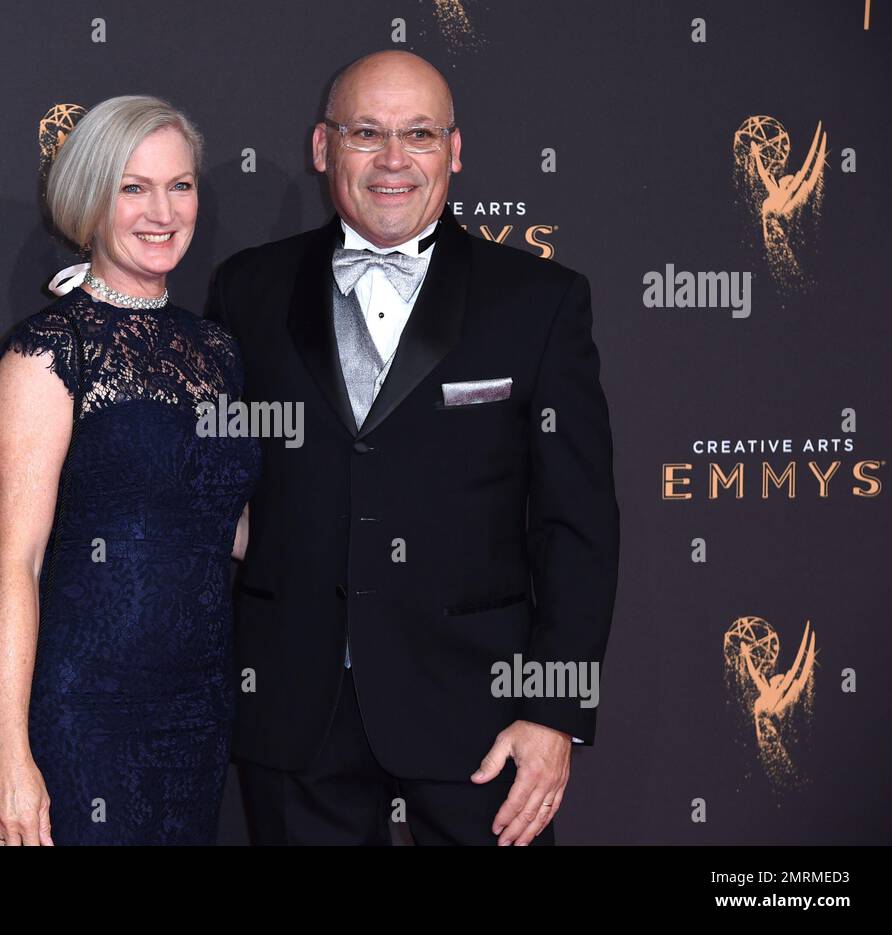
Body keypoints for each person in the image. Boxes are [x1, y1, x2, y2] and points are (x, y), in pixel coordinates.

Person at [208, 50, 620, 845]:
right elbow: (209, 468)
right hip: (294, 709)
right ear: (322, 147)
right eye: (367, 132)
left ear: (455, 151)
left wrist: (555, 711)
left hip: (481, 713)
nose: (393, 159)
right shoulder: (246, 289)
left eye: (419, 134)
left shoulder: (540, 302)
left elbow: (577, 526)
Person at [0, 95, 260, 845]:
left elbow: (224, 526)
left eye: (181, 185)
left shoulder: (219, 352)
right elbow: (16, 566)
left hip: (199, 706)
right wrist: (9, 752)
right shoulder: (49, 352)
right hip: (85, 710)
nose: (162, 210)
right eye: (132, 187)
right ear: (89, 199)